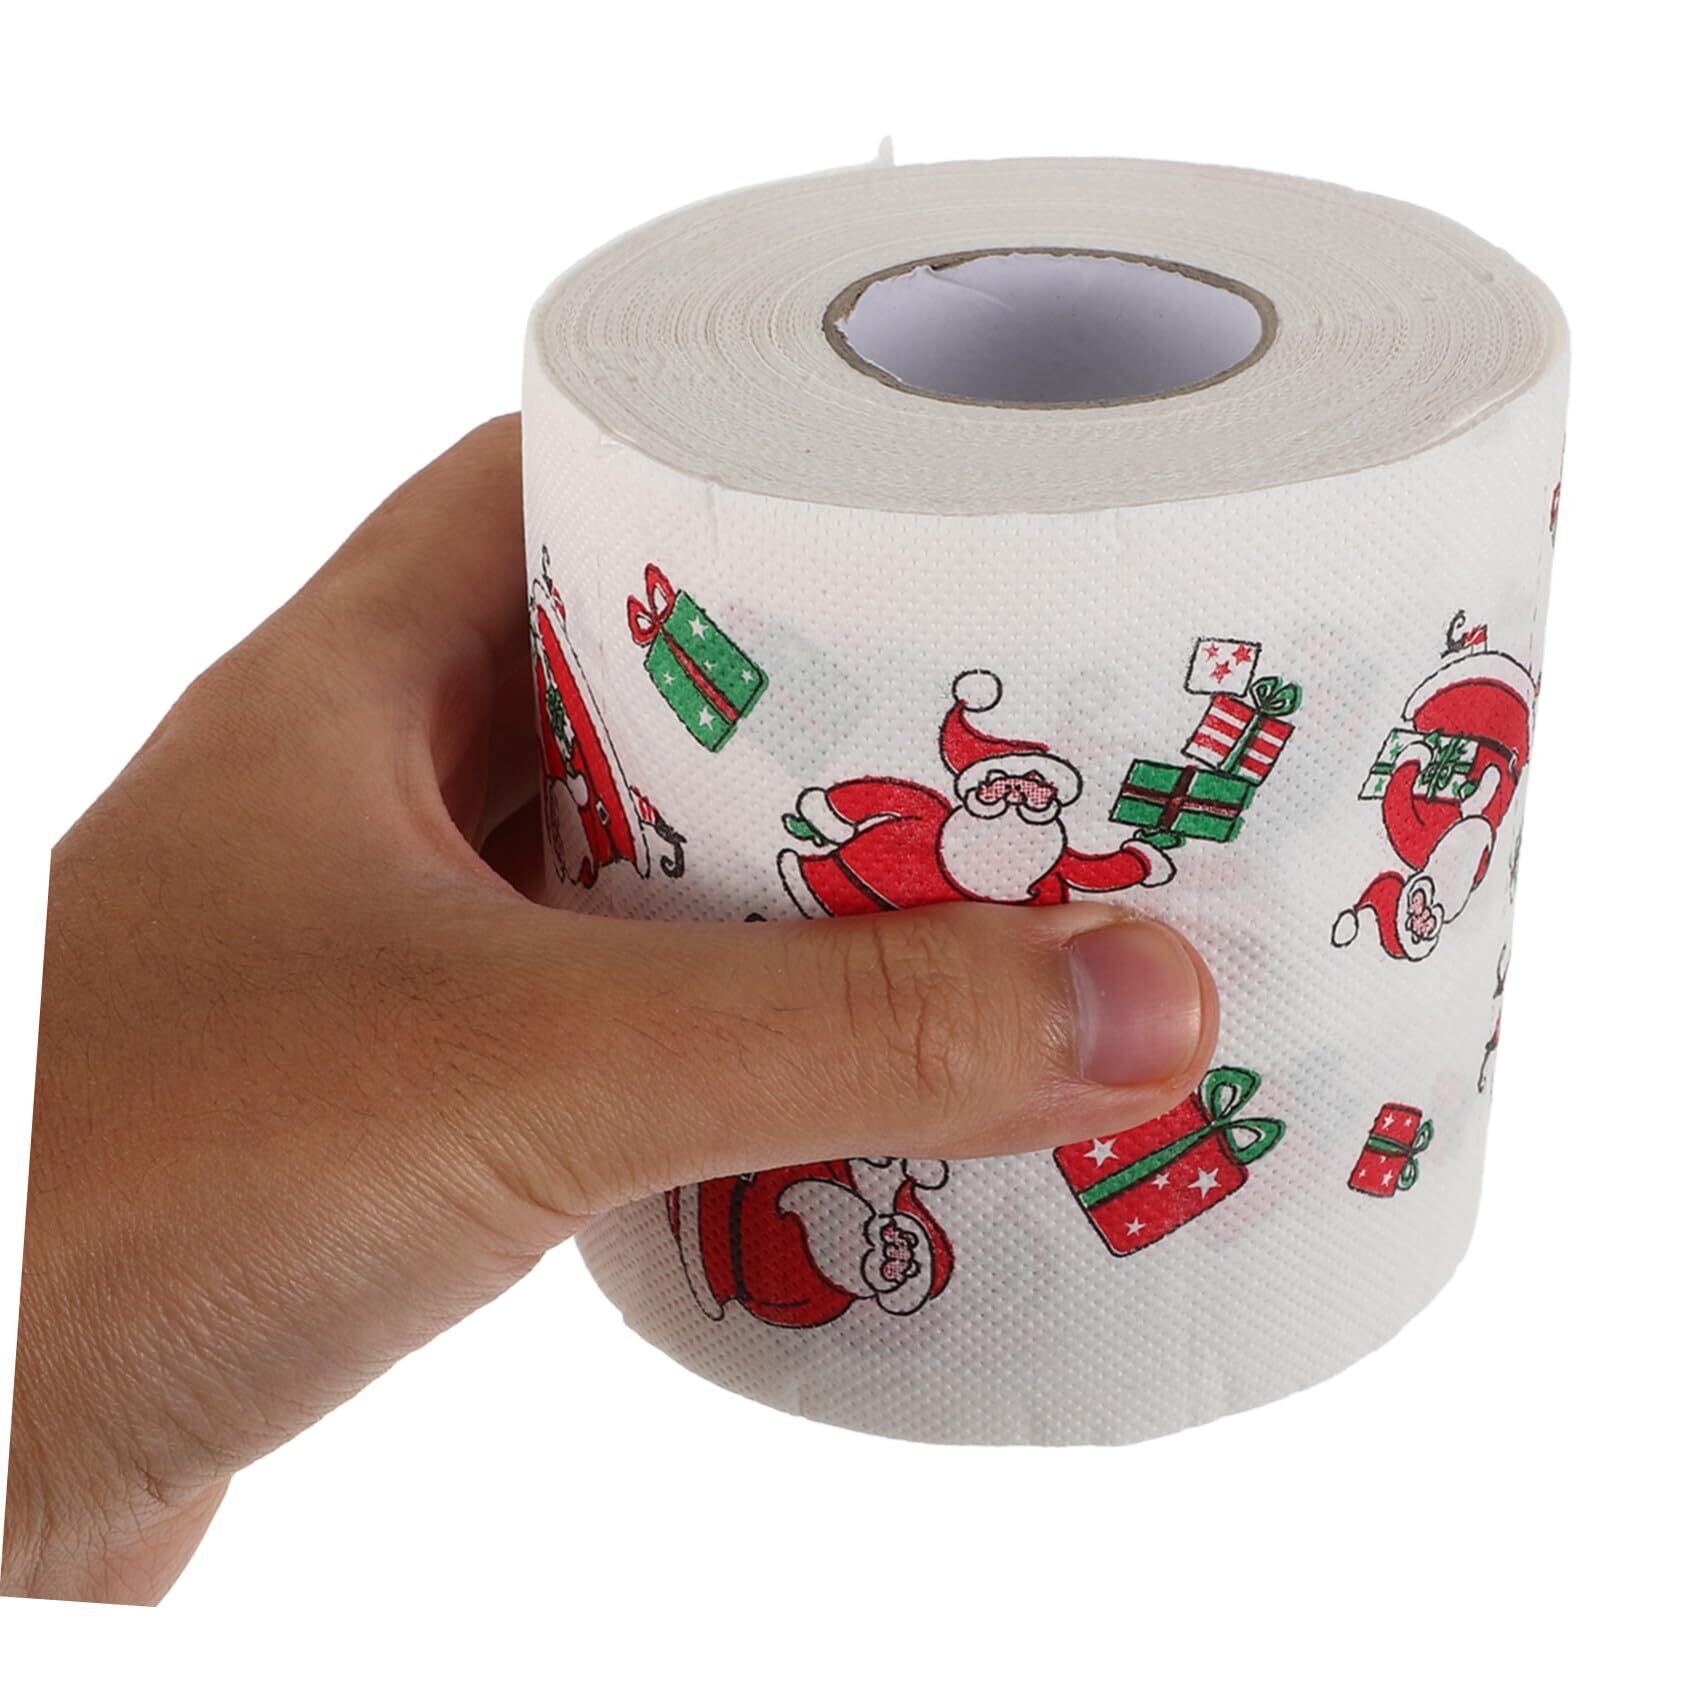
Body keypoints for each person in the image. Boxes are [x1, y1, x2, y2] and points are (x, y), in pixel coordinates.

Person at [2, 418, 1217, 1604]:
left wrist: (50, 1501)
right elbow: (871, 804)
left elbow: (1096, 858)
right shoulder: (919, 809)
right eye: (1007, 783)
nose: (1020, 800)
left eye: (1033, 793)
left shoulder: (1015, 831)